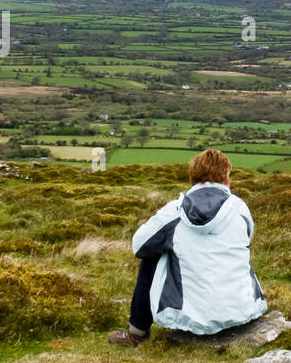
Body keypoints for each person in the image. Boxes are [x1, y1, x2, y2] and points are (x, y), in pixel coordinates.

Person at [108, 148, 266, 347]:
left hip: (191, 317)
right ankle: (234, 304)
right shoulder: (240, 208)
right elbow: (248, 238)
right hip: (241, 311)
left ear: (193, 177)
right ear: (226, 176)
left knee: (152, 255)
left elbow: (139, 246)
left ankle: (135, 333)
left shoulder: (175, 211)